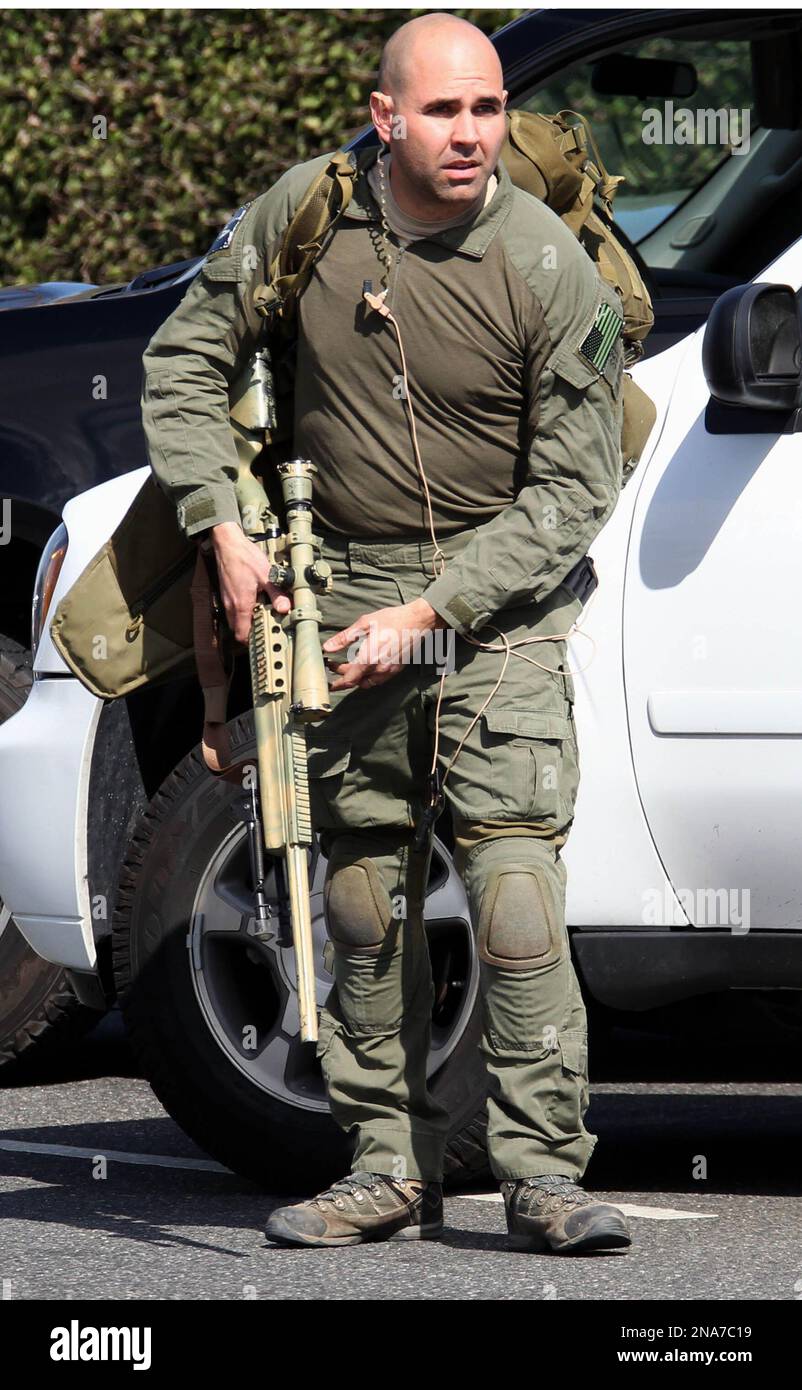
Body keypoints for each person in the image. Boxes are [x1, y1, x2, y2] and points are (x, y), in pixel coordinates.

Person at [140, 11, 632, 1256]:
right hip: (338, 585)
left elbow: (572, 493)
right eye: (445, 111)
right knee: (360, 895)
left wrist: (433, 608)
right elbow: (185, 359)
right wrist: (223, 525)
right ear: (386, 116)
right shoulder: (307, 216)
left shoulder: (540, 265)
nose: (470, 135)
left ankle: (542, 1173)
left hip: (493, 609)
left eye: (487, 110)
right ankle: (382, 1164)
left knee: (515, 895)